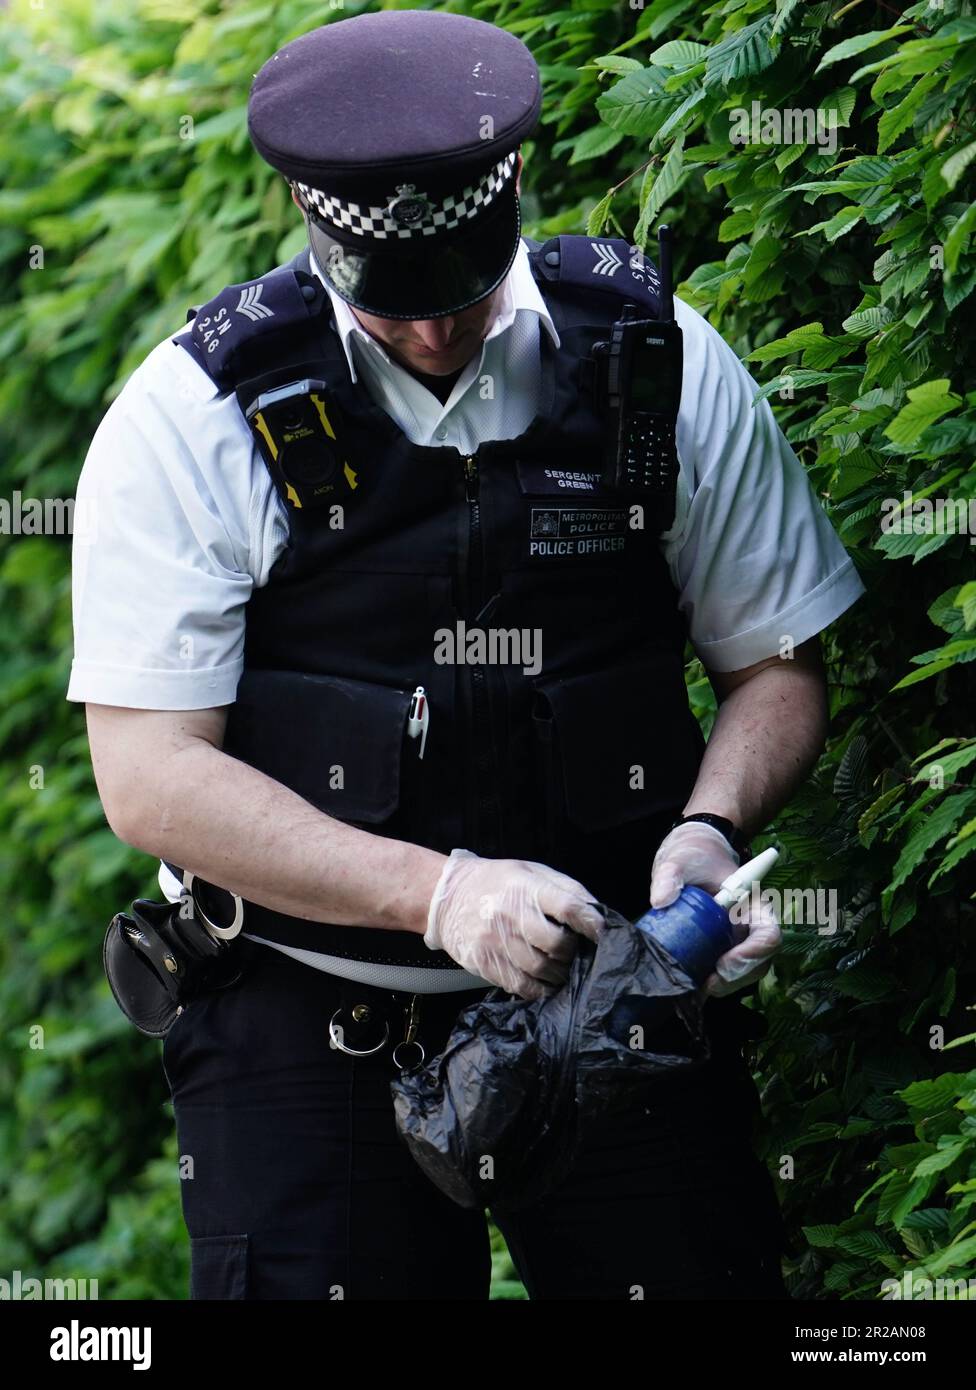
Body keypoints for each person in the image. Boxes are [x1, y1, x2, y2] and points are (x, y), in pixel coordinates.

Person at [68, 9, 865, 1300]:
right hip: (308, 1008)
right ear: (318, 232)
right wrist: (441, 894)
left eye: (465, 288)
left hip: (622, 999)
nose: (439, 333)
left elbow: (774, 659)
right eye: (399, 305)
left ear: (514, 197)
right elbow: (150, 776)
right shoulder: (191, 419)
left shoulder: (654, 364)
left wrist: (711, 827)